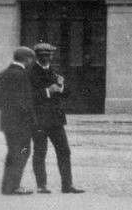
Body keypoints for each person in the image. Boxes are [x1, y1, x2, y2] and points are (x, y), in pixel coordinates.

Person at [28, 43, 82, 194]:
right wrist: (48, 91)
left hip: (55, 119)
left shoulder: (52, 70)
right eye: (45, 55)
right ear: (38, 56)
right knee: (40, 151)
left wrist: (61, 86)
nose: (48, 58)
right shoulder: (30, 72)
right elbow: (27, 97)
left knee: (64, 151)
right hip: (38, 119)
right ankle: (41, 186)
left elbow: (65, 93)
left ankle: (67, 185)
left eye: (50, 55)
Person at [0, 47, 38, 195]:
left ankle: (8, 186)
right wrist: (31, 119)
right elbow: (24, 102)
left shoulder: (3, 74)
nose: (32, 62)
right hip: (21, 123)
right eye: (31, 59)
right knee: (22, 152)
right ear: (27, 59)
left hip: (7, 122)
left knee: (13, 153)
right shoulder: (21, 75)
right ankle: (13, 186)